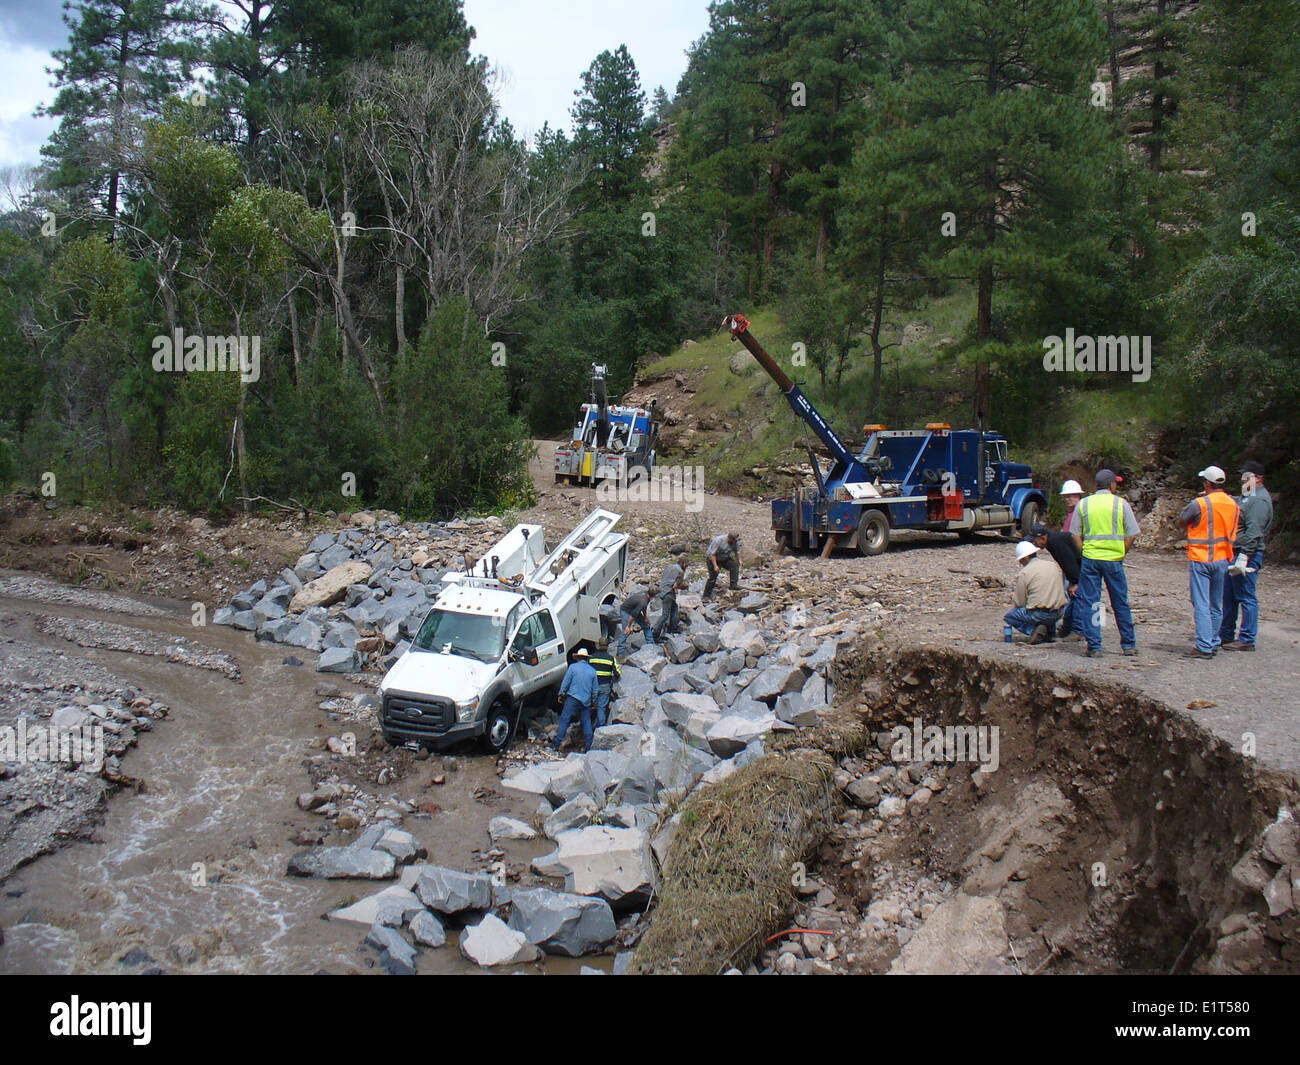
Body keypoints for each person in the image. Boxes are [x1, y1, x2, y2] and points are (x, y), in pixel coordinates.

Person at [1069, 469, 1140, 658]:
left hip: (1091, 559)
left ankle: (1094, 645)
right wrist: (1121, 553)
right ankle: (1128, 645)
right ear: (1111, 485)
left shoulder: (1084, 505)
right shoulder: (1120, 504)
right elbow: (1132, 534)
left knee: (1092, 602)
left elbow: (1075, 534)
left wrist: (1084, 553)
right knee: (1120, 603)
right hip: (1113, 560)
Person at [1178, 465, 1240, 659]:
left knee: (1202, 603)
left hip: (1201, 558)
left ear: (1207, 483)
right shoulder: (1234, 504)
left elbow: (1182, 521)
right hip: (1222, 558)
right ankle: (1213, 641)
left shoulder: (1200, 503)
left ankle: (1204, 646)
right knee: (1216, 603)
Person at [1220, 460, 1273, 652]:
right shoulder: (1249, 495)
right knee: (1230, 595)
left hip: (1247, 553)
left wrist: (1244, 556)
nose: (1242, 480)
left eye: (1246, 477)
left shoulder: (1259, 501)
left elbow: (1254, 531)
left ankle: (1247, 638)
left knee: (1245, 595)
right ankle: (1225, 634)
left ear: (1258, 479)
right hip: (1236, 551)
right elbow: (1238, 501)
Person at [1005, 541, 1068, 643]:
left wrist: (1014, 597)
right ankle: (1049, 632)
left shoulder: (1025, 573)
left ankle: (1033, 631)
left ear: (1024, 558)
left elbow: (1019, 603)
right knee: (1048, 602)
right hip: (1059, 612)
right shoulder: (1053, 565)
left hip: (1039, 614)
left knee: (1009, 616)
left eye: (1020, 561)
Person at [1030, 524, 1082, 639]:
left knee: (1078, 596)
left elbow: (1069, 562)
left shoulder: (1055, 542)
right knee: (1073, 598)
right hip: (1078, 567)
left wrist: (1075, 582)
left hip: (1084, 566)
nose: (1034, 544)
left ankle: (1078, 631)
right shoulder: (1051, 542)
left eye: (1035, 541)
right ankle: (1067, 628)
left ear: (1043, 538)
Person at [553, 648, 598, 752]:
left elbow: (566, 682)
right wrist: (593, 702)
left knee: (565, 720)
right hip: (585, 701)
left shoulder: (573, 668)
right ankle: (589, 745)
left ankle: (556, 743)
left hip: (572, 698)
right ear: (587, 659)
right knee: (586, 722)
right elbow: (595, 690)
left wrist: (561, 694)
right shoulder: (592, 671)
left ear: (577, 657)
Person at [652, 554, 689, 641]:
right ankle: (655, 634)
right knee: (665, 615)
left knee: (674, 608)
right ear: (683, 563)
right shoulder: (681, 571)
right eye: (686, 565)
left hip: (661, 590)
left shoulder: (669, 566)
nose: (686, 567)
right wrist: (684, 586)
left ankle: (672, 630)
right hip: (669, 593)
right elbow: (675, 586)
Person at [587, 640, 620, 728]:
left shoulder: (591, 657)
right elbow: (617, 672)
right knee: (601, 708)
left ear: (598, 646)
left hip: (592, 686)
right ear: (607, 646)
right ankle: (600, 729)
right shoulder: (610, 658)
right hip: (605, 685)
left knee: (589, 706)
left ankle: (586, 727)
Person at [616, 584, 655, 656]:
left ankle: (651, 645)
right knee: (626, 632)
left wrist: (645, 617)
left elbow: (644, 607)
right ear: (653, 595)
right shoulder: (643, 601)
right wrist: (628, 626)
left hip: (633, 609)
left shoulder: (646, 595)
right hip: (626, 611)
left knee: (646, 625)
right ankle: (620, 654)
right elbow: (633, 616)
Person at [702, 532, 741, 599]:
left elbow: (737, 552)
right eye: (734, 540)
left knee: (734, 566)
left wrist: (740, 560)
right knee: (713, 577)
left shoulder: (735, 542)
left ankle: (733, 586)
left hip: (724, 557)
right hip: (713, 559)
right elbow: (712, 554)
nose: (735, 541)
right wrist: (715, 566)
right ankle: (706, 595)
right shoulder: (719, 541)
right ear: (730, 538)